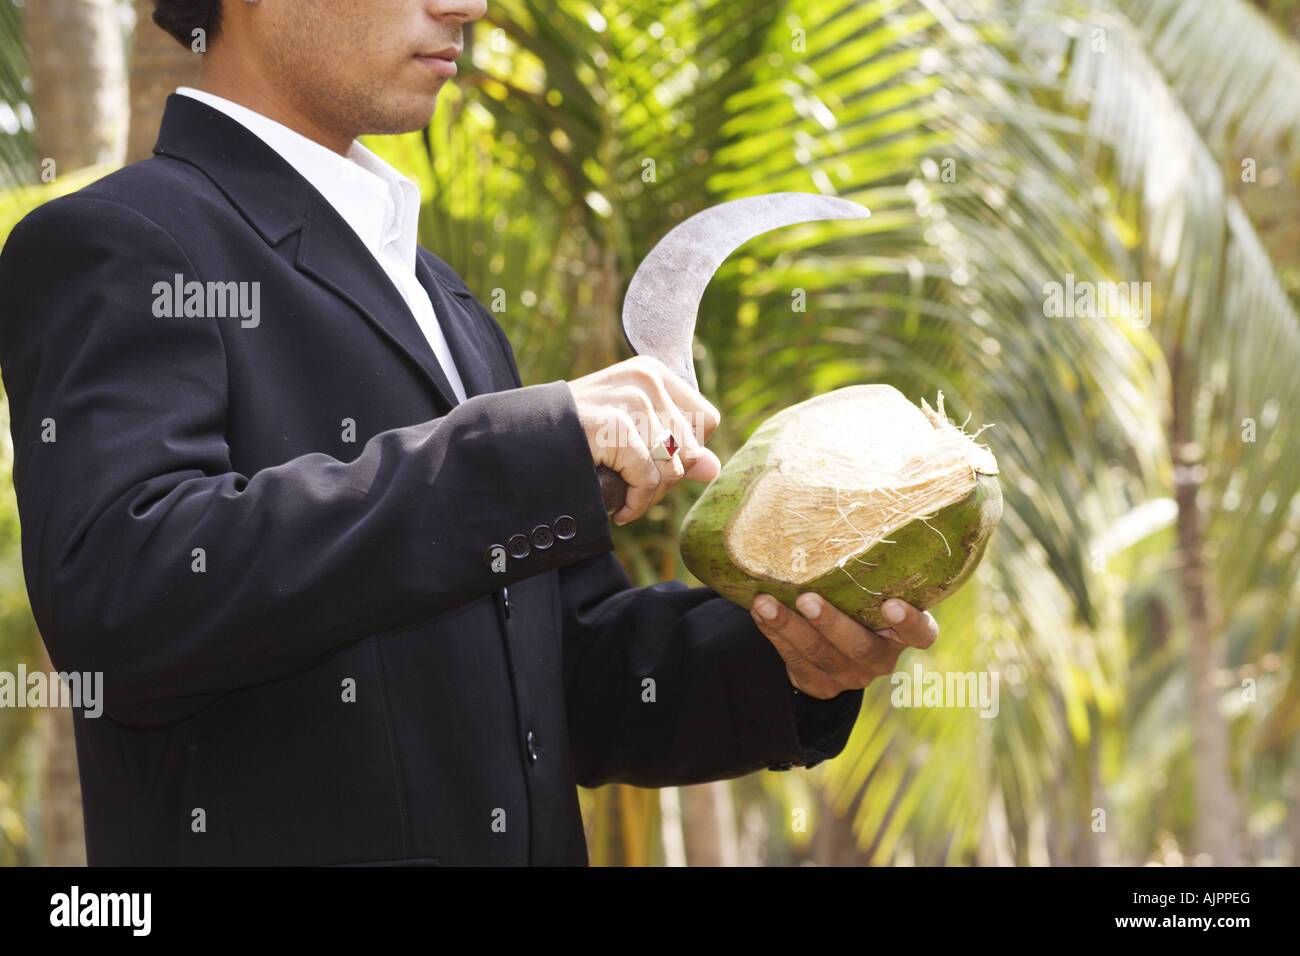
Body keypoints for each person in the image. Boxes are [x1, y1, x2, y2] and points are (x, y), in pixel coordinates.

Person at [0, 0, 938, 865]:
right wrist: (531, 447)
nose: (468, 5)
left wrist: (790, 658)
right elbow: (123, 599)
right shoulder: (121, 239)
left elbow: (569, 677)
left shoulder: (444, 300)